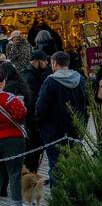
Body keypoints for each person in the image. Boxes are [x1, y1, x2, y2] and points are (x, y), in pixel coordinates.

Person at [35, 51, 90, 180]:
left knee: (56, 167)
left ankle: (60, 198)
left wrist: (40, 126)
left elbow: (41, 108)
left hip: (54, 133)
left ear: (54, 63)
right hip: (76, 129)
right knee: (76, 164)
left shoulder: (50, 82)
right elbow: (87, 103)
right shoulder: (80, 79)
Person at [0, 62, 36, 206]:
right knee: (14, 172)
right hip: (13, 139)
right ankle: (18, 205)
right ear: (2, 82)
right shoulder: (9, 98)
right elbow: (21, 114)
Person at [21, 48, 49, 175]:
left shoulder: (37, 73)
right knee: (33, 149)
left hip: (37, 118)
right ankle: (30, 176)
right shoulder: (28, 75)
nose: (47, 63)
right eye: (45, 61)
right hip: (32, 120)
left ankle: (33, 174)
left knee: (37, 149)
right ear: (37, 61)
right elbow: (31, 100)